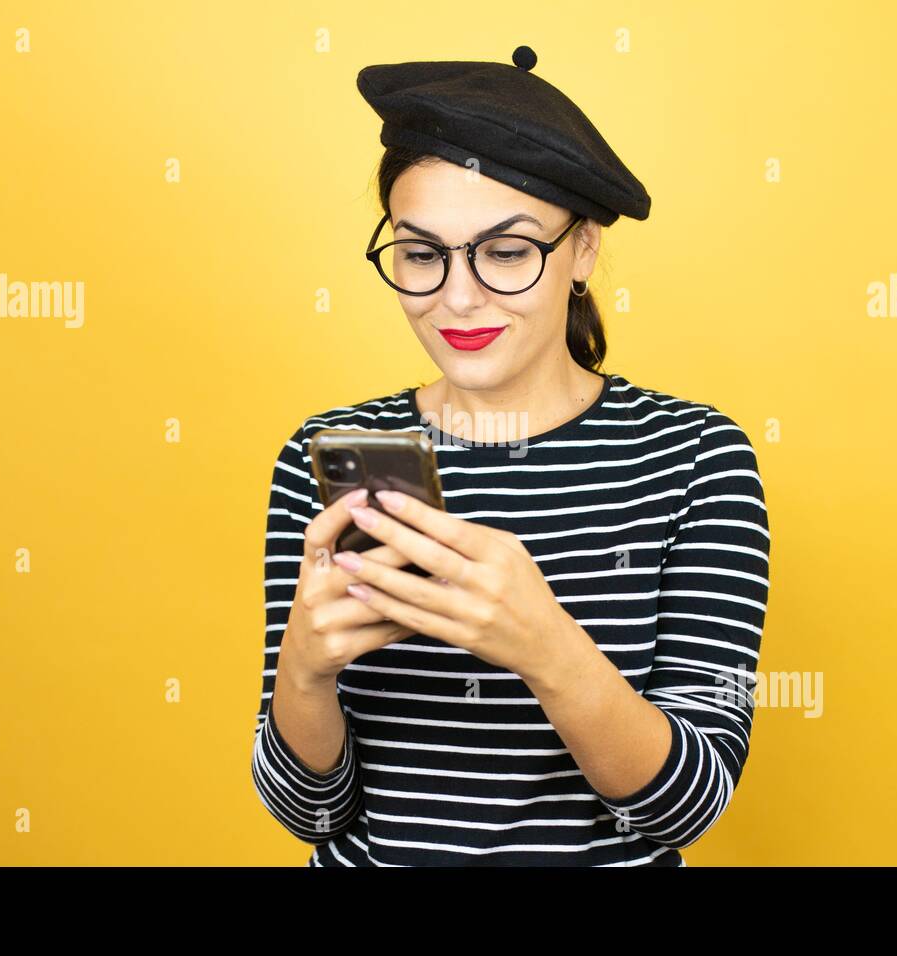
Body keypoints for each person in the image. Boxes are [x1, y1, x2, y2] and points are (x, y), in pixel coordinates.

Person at [251, 46, 770, 866]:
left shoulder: (696, 456)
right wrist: (305, 673)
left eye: (505, 251)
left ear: (584, 252)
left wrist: (541, 642)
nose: (458, 298)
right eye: (421, 255)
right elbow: (311, 817)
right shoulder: (332, 457)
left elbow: (689, 809)